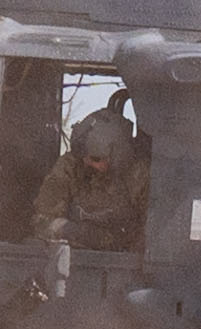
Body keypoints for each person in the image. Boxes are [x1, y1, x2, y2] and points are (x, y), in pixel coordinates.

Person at [51, 100, 148, 255]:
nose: (87, 162)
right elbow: (43, 219)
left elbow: (149, 238)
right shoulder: (70, 167)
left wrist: (106, 240)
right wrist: (68, 230)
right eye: (82, 155)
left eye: (95, 158)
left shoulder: (139, 178)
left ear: (117, 157)